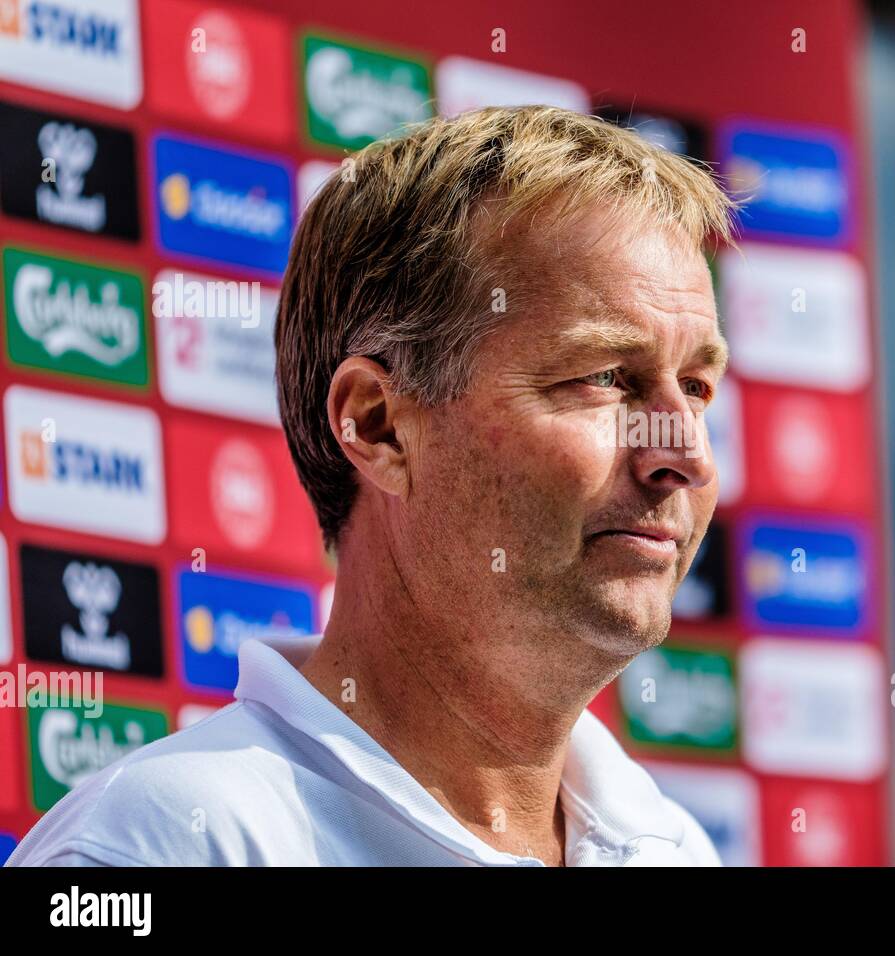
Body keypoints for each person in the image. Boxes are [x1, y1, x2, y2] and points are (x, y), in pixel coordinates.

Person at [7, 105, 739, 867]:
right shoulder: (152, 848)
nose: (685, 454)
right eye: (604, 378)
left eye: (695, 386)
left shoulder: (671, 849)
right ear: (379, 427)